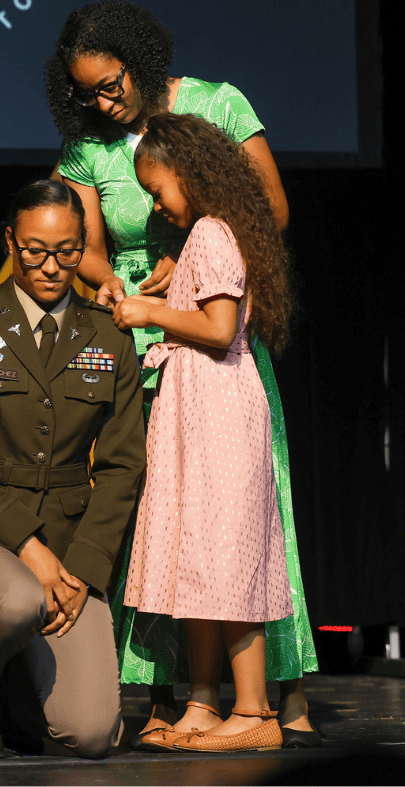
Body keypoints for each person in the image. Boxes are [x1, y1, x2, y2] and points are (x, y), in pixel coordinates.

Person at [44, 0, 319, 748]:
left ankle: (266, 699)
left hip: (206, 329)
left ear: (137, 58)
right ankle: (179, 696)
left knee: (234, 519)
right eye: (88, 94)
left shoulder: (215, 107)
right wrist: (127, 292)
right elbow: (83, 243)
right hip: (141, 325)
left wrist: (189, 262)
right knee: (167, 518)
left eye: (111, 83)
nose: (104, 101)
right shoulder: (90, 149)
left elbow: (269, 209)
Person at [0, 180, 145, 760]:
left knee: (90, 735)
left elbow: (121, 467)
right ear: (11, 243)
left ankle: (20, 692)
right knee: (15, 598)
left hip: (69, 547)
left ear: (84, 245)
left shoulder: (109, 336)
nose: (50, 266)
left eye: (68, 251)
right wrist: (31, 550)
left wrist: (83, 570)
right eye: (35, 250)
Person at [115, 112, 295, 752]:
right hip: (197, 408)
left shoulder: (215, 233)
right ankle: (201, 701)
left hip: (219, 408)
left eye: (156, 188)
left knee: (226, 559)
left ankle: (253, 712)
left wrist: (151, 311)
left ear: (188, 173)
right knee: (195, 556)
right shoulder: (201, 236)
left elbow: (220, 331)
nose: (153, 203)